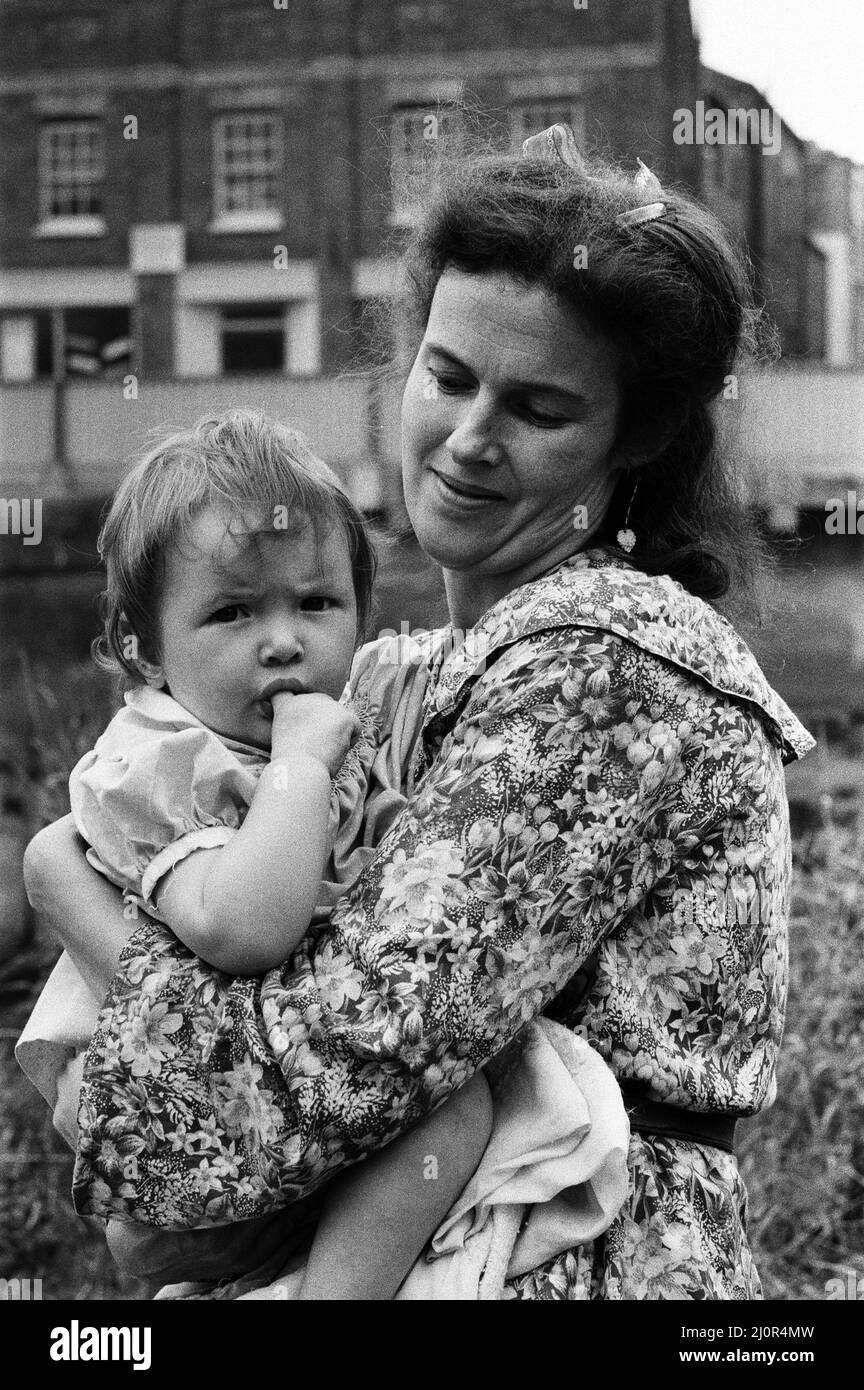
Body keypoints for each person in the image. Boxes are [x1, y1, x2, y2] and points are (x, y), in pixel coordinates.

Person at [24, 125, 815, 1299]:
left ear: (636, 436)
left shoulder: (608, 660)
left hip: (582, 1257)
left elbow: (330, 1066)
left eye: (539, 408)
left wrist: (66, 888)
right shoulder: (411, 670)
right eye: (448, 377)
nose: (469, 439)